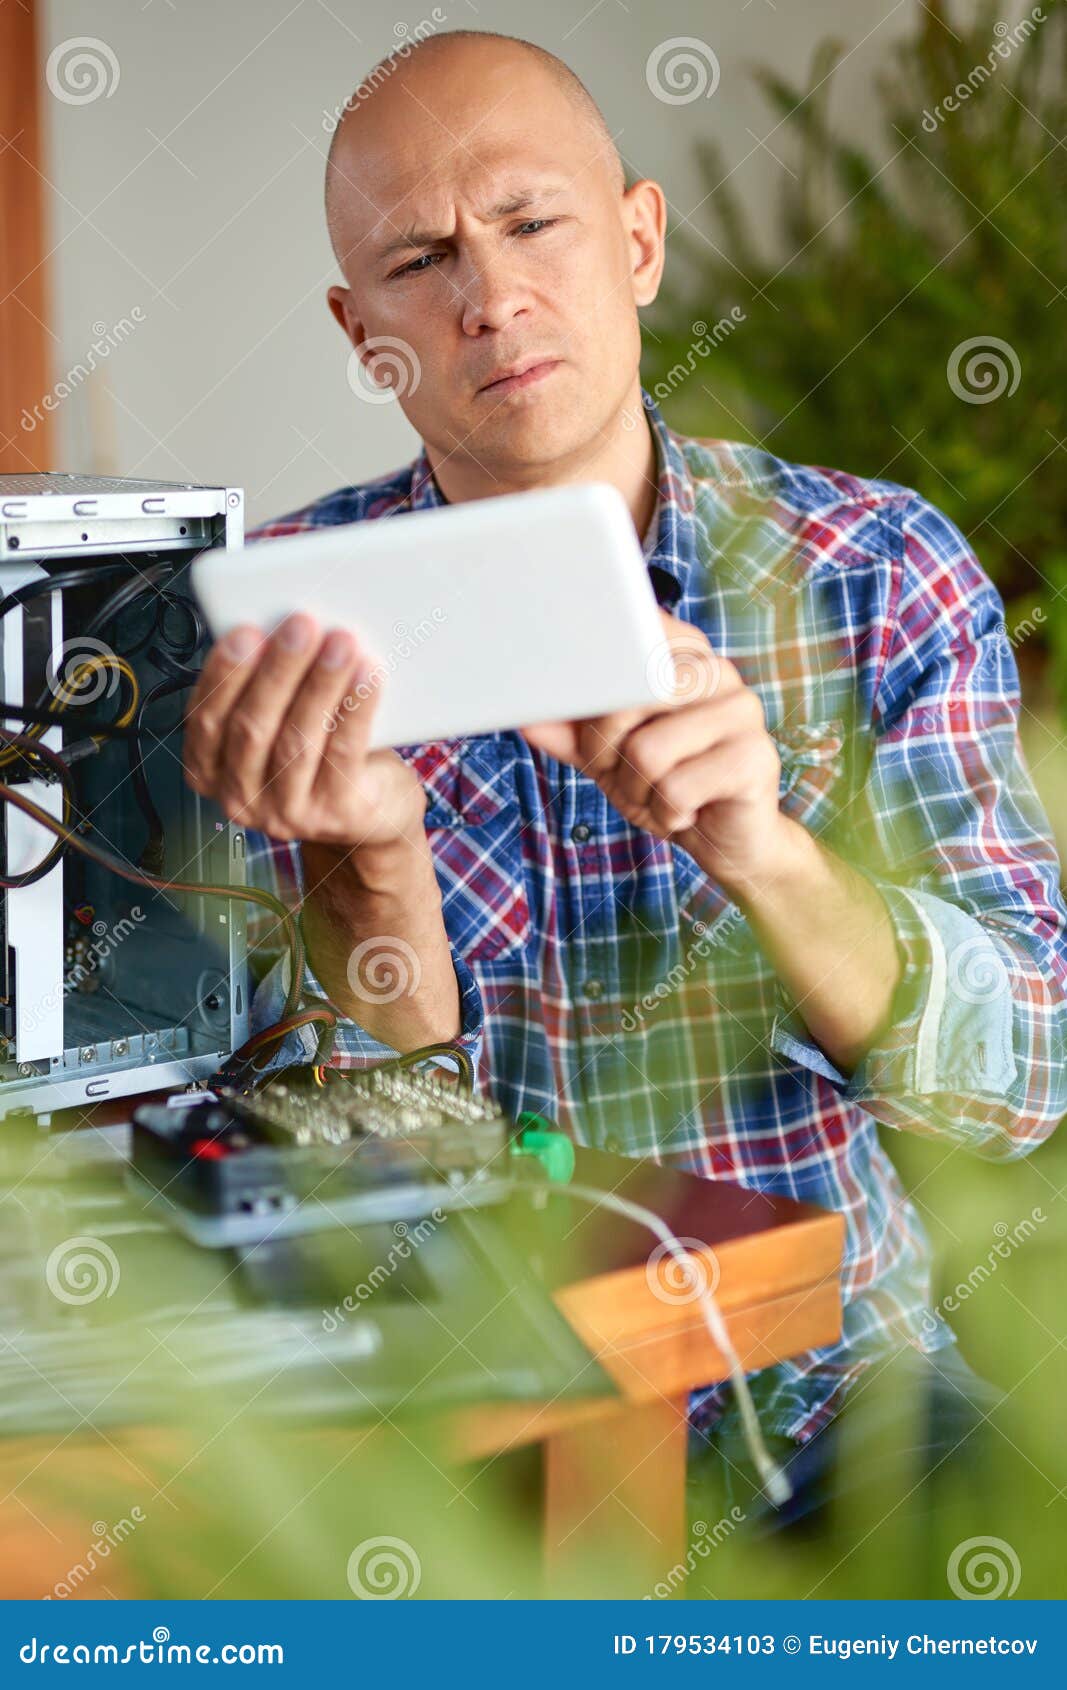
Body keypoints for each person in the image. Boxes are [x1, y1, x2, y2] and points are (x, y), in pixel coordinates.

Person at [181, 29, 1067, 1519]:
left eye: (534, 223)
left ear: (639, 240)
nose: (490, 297)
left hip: (832, 1389)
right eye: (420, 260)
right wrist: (371, 867)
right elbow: (304, 1186)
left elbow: (1025, 1081)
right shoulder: (277, 641)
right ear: (363, 331)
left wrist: (770, 850)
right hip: (451, 1426)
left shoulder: (875, 572)